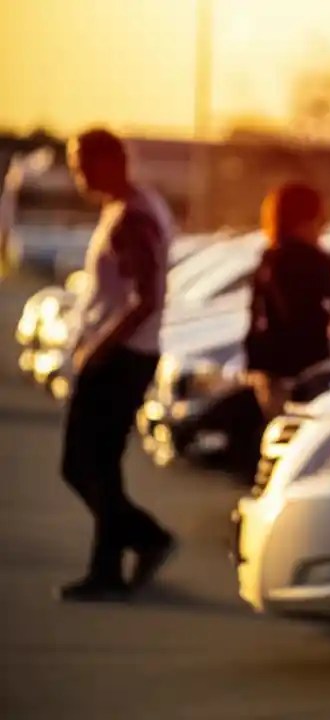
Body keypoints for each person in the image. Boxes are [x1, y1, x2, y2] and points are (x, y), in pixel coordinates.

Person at [59, 128, 174, 602]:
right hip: (121, 355)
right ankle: (110, 565)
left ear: (110, 161)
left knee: (83, 465)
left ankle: (144, 539)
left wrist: (100, 347)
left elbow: (147, 298)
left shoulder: (134, 217)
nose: (78, 175)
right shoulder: (125, 209)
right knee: (99, 467)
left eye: (83, 163)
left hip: (122, 358)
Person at [243, 182, 330, 419]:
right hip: (304, 365)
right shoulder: (310, 259)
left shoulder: (270, 257)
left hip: (270, 365)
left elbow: (256, 313)